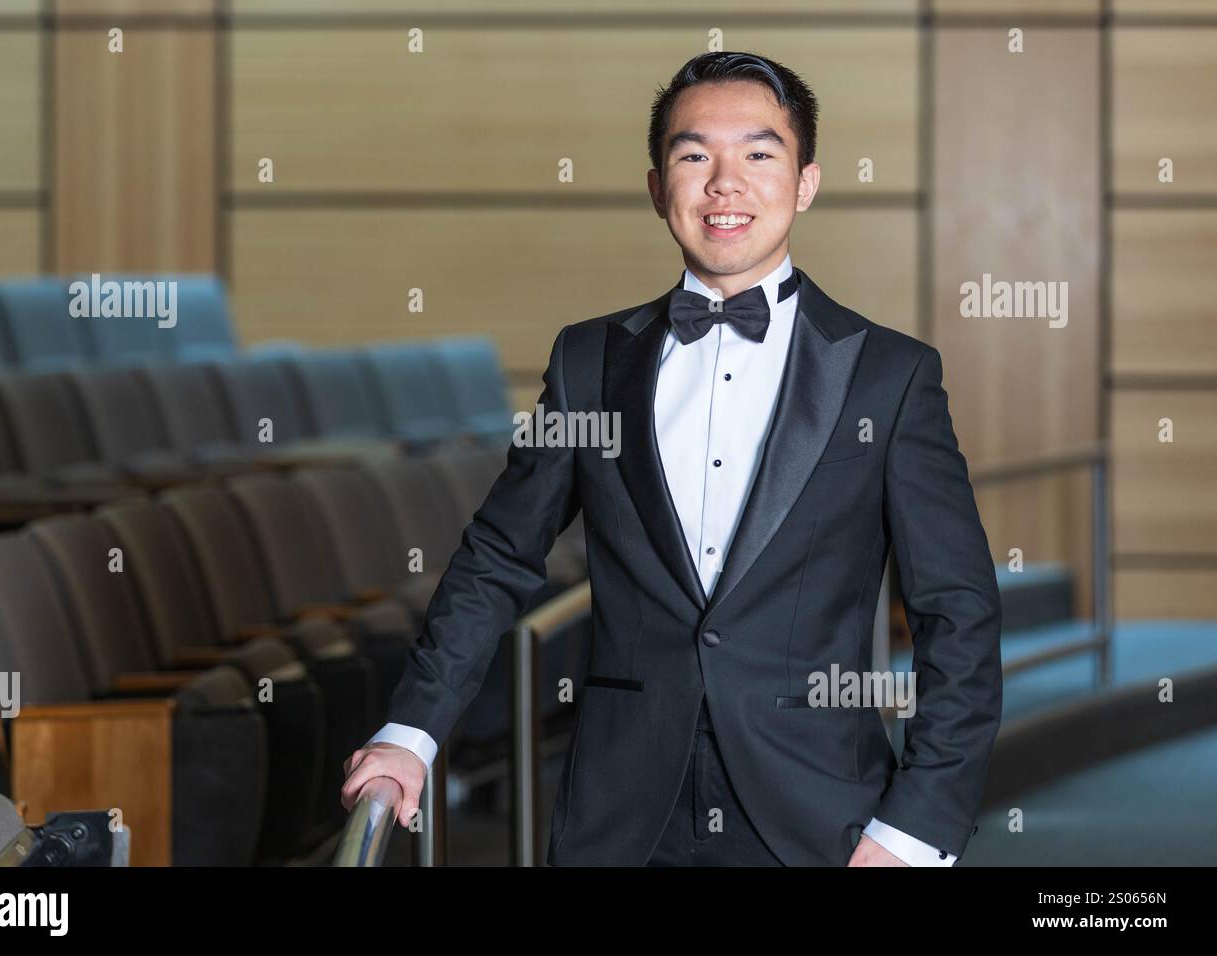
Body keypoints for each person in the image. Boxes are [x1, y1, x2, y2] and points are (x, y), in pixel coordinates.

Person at [342, 50, 1002, 867]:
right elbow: (498, 556)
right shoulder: (588, 361)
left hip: (822, 824)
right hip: (621, 818)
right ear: (659, 188)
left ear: (804, 182)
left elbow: (958, 614)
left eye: (759, 155)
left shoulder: (891, 376)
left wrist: (915, 828)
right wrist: (414, 731)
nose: (725, 184)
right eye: (695, 156)